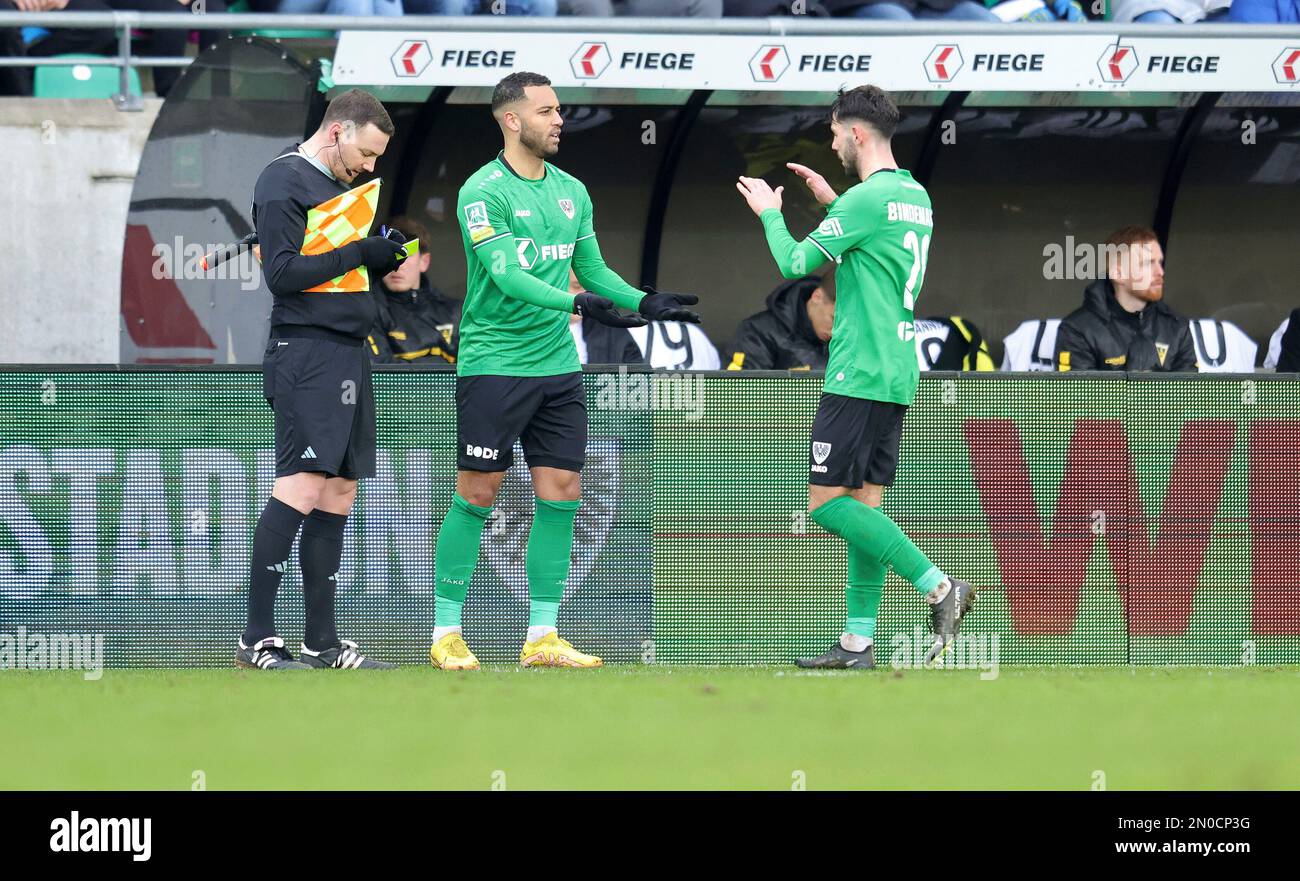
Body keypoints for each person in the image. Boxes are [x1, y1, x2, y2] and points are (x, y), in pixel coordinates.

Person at [430, 72, 700, 671]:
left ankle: (542, 636)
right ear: (511, 119)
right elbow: (506, 276)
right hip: (495, 364)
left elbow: (593, 270)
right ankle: (446, 632)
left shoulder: (573, 190)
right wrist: (576, 302)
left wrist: (642, 300)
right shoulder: (482, 191)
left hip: (557, 367)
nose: (559, 120)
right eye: (547, 111)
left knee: (564, 492)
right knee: (479, 492)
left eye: (560, 110)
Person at [735, 84, 975, 671]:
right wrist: (831, 201)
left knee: (824, 505)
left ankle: (940, 585)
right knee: (865, 507)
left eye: (836, 133)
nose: (833, 142)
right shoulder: (914, 195)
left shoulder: (865, 202)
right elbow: (873, 248)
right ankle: (858, 643)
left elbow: (794, 263)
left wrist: (771, 213)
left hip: (856, 369)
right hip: (895, 370)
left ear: (857, 133)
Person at [238, 89, 408, 671]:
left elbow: (338, 265)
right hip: (306, 352)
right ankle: (256, 639)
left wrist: (377, 255)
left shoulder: (340, 186)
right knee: (302, 485)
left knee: (339, 490)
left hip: (348, 354)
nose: (370, 167)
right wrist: (359, 251)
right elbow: (283, 275)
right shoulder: (284, 180)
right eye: (365, 152)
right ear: (337, 131)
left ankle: (320, 643)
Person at [1054, 226, 1197, 372]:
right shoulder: (1078, 330)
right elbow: (1078, 394)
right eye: (1147, 264)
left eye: (1159, 263)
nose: (1160, 272)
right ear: (1117, 273)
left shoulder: (1177, 327)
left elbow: (1189, 392)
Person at [376, 215, 461, 365]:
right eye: (389, 255)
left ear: (424, 261)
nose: (396, 265)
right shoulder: (367, 311)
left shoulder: (456, 312)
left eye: (405, 255)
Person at [725, 275, 833, 371]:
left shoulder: (845, 339)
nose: (835, 331)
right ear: (817, 296)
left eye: (847, 324)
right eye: (834, 319)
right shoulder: (757, 332)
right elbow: (743, 390)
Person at [566, 270, 648, 366]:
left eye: (589, 289)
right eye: (577, 286)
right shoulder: (546, 329)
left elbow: (637, 375)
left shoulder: (610, 329)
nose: (586, 294)